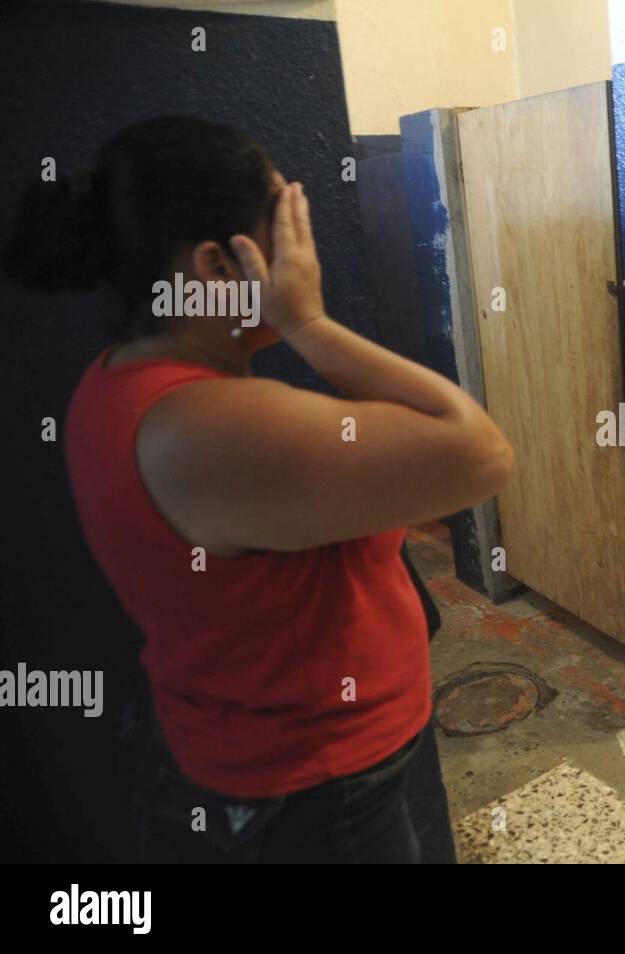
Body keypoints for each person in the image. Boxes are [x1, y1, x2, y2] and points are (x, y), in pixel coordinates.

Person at [3, 115, 514, 861]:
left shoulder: (121, 384)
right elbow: (479, 455)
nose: (303, 257)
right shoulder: (208, 428)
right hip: (314, 801)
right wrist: (306, 321)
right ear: (216, 268)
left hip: (260, 772)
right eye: (285, 230)